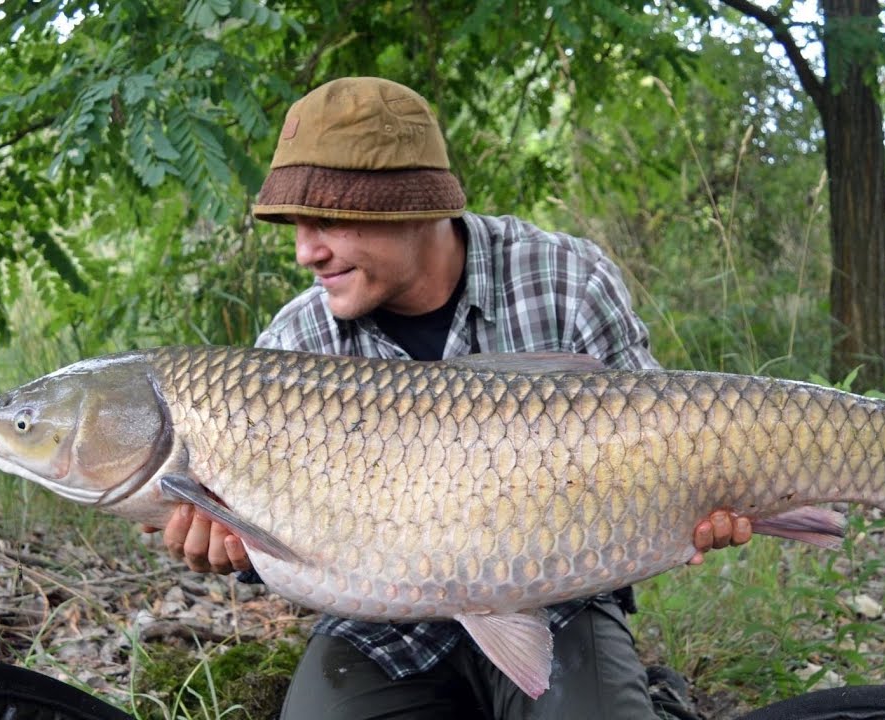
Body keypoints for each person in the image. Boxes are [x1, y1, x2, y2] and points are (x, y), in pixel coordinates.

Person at [147, 76, 753, 720]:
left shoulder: (568, 279)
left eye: (326, 219)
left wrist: (708, 498)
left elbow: (668, 439)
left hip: (558, 593)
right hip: (380, 621)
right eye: (296, 223)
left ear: (411, 207)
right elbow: (272, 538)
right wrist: (228, 549)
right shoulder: (293, 345)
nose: (305, 251)